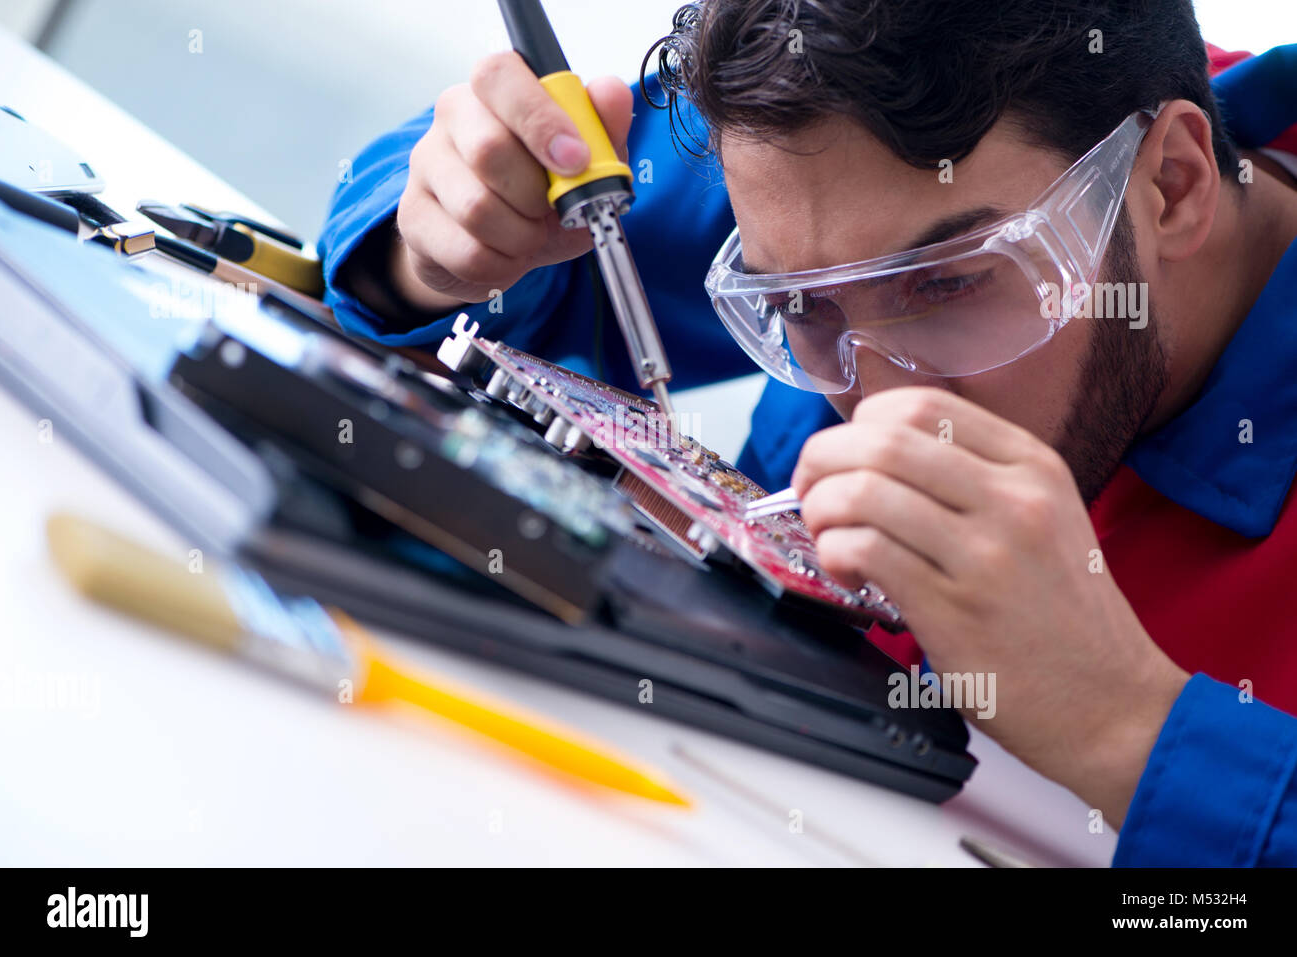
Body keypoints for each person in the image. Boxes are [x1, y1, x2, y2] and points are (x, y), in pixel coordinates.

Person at [319, 0, 1297, 865]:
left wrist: (1124, 726)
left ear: (1171, 183)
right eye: (798, 307)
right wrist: (441, 243)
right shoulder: (834, 149)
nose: (869, 394)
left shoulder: (1049, 135)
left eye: (946, 284)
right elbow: (461, 208)